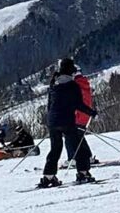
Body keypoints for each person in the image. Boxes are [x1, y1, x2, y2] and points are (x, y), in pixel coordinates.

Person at [39, 57, 99, 187]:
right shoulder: (73, 85)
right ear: (71, 71)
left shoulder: (53, 84)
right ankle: (83, 173)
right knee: (77, 147)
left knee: (55, 148)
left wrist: (50, 120)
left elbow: (49, 106)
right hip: (67, 121)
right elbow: (78, 104)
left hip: (52, 121)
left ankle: (48, 176)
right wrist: (92, 113)